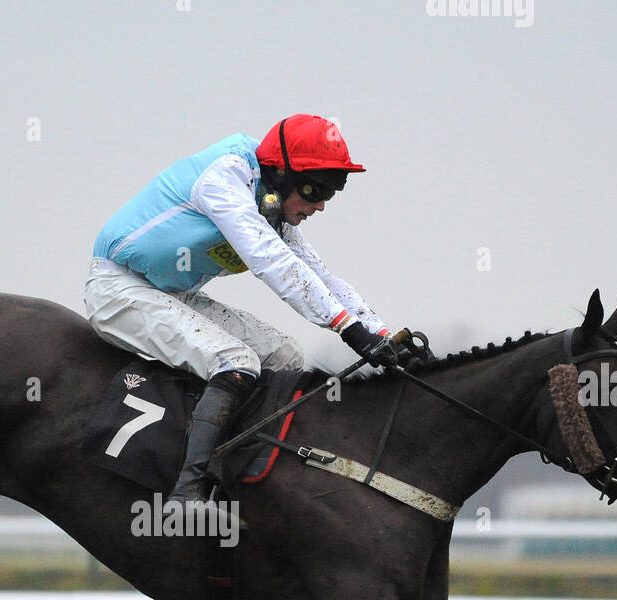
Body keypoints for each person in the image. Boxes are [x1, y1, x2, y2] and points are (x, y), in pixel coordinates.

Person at [86, 114, 398, 503]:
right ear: (282, 172)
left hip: (171, 294)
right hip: (118, 288)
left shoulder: (268, 193)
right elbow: (272, 262)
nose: (320, 205)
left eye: (330, 194)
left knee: (285, 356)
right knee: (236, 361)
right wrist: (349, 330)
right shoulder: (226, 178)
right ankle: (188, 491)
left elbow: (317, 273)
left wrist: (383, 334)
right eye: (315, 190)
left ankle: (250, 477)